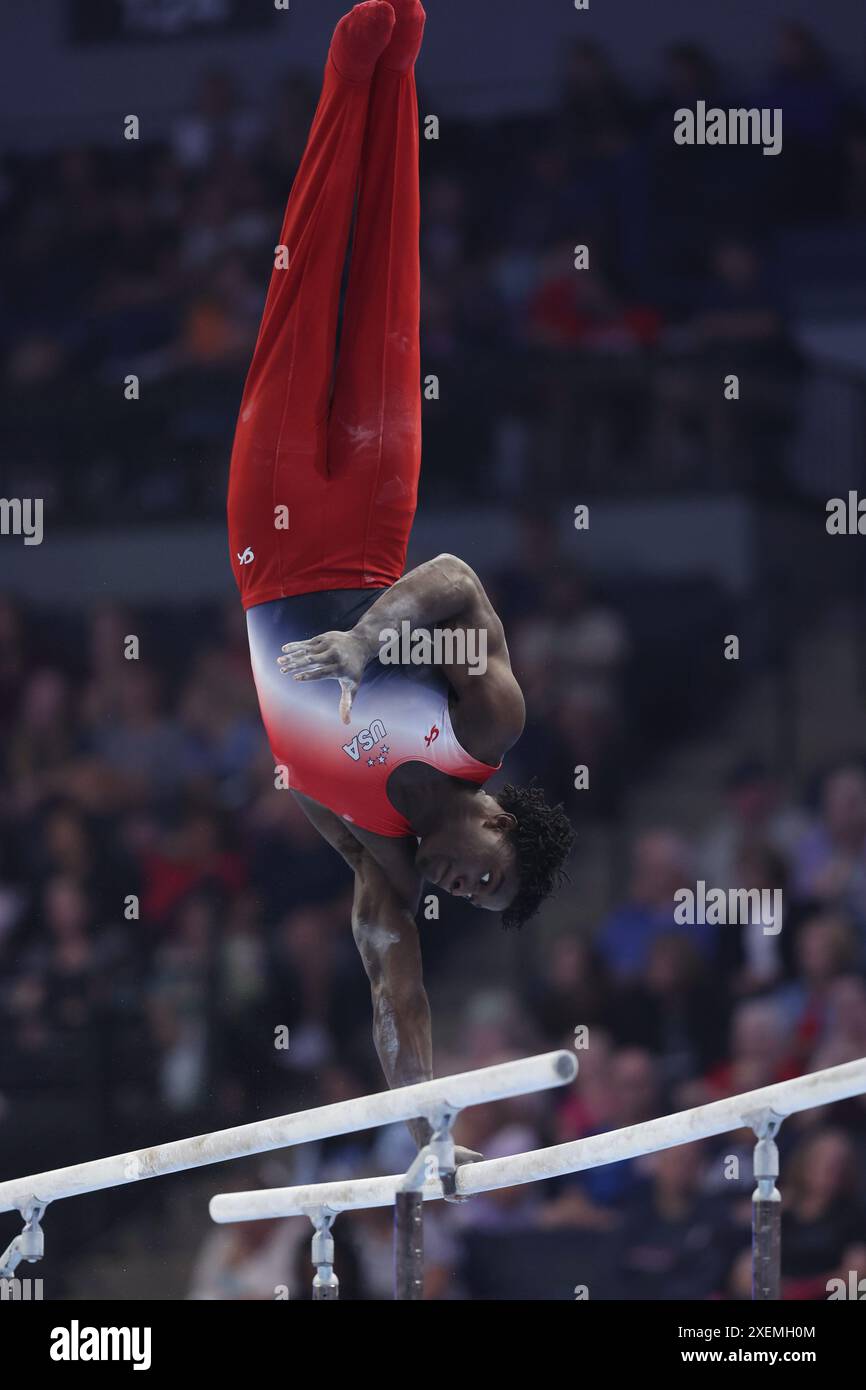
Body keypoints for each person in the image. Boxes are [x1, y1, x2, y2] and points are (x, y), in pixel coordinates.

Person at [226, 3, 573, 1140]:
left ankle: (349, 64)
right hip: (373, 524)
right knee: (382, 290)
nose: (456, 889)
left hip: (270, 540)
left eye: (470, 903)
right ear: (500, 820)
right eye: (484, 878)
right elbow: (460, 578)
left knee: (305, 274)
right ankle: (400, 52)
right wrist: (374, 642)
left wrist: (420, 1126)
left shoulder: (371, 848)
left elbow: (395, 985)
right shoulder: (486, 729)